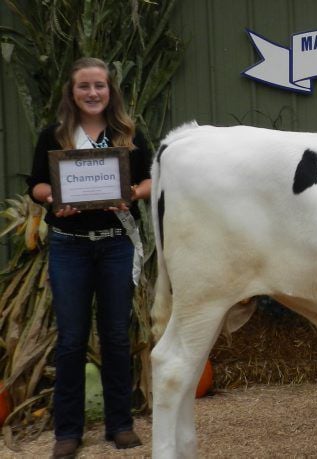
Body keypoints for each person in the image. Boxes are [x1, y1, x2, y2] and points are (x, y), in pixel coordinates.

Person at [27, 57, 151, 458]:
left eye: (100, 85)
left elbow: (149, 179)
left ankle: (120, 425)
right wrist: (53, 197)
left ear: (110, 91)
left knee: (115, 336)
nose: (93, 93)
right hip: (69, 244)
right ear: (72, 92)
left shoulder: (128, 134)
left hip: (116, 242)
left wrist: (132, 194)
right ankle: (68, 431)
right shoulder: (54, 134)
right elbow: (36, 185)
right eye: (84, 86)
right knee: (71, 340)